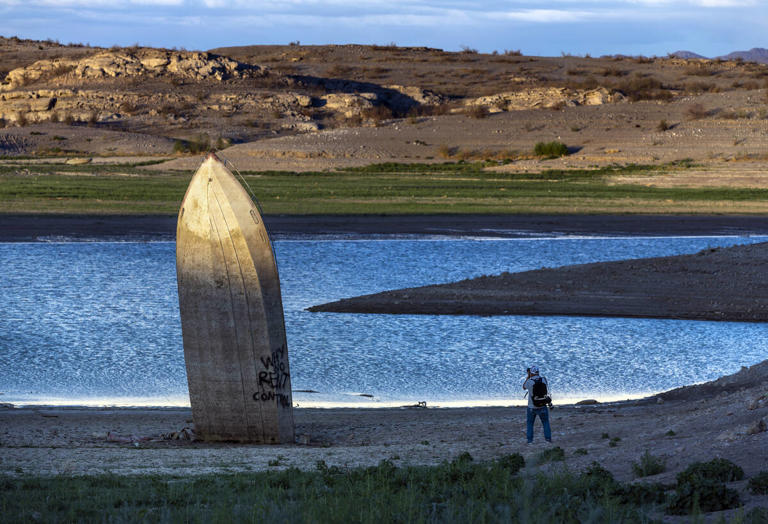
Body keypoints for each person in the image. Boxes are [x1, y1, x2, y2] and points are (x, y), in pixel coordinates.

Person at [522, 365, 552, 443]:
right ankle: (548, 439)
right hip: (543, 405)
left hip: (532, 407)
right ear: (538, 372)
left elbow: (524, 387)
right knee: (545, 422)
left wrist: (528, 376)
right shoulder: (544, 380)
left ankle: (530, 440)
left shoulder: (529, 381)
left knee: (530, 424)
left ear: (531, 373)